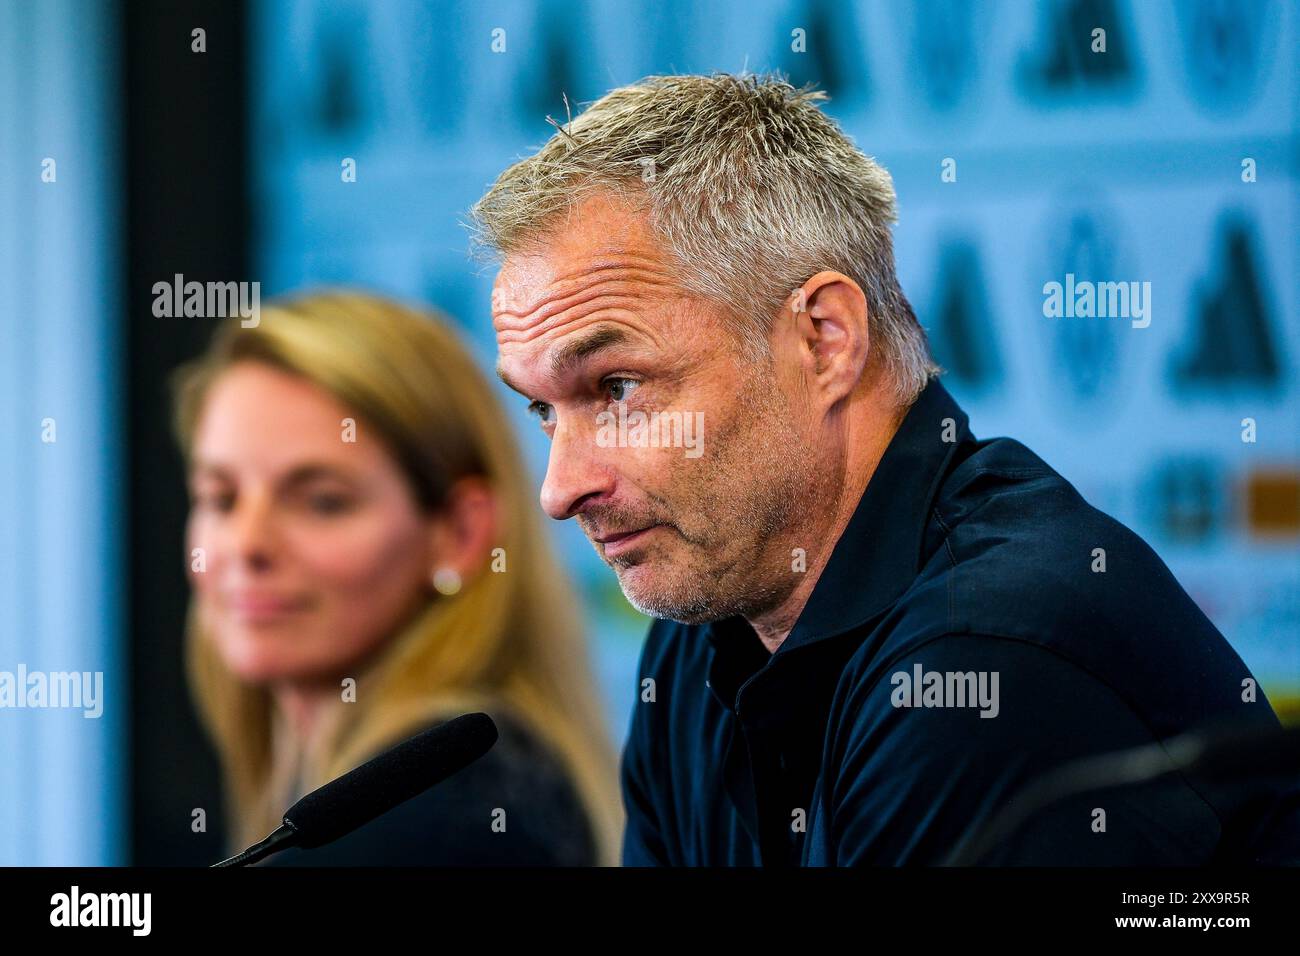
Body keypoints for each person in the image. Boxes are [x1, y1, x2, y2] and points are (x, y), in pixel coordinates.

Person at [470, 72, 1300, 865]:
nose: (558, 488)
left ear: (824, 342)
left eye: (616, 387)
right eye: (543, 409)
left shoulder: (985, 663)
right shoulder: (695, 646)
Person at [170, 290, 622, 865]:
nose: (246, 544)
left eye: (322, 501)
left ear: (458, 533)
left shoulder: (449, 821)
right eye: (221, 498)